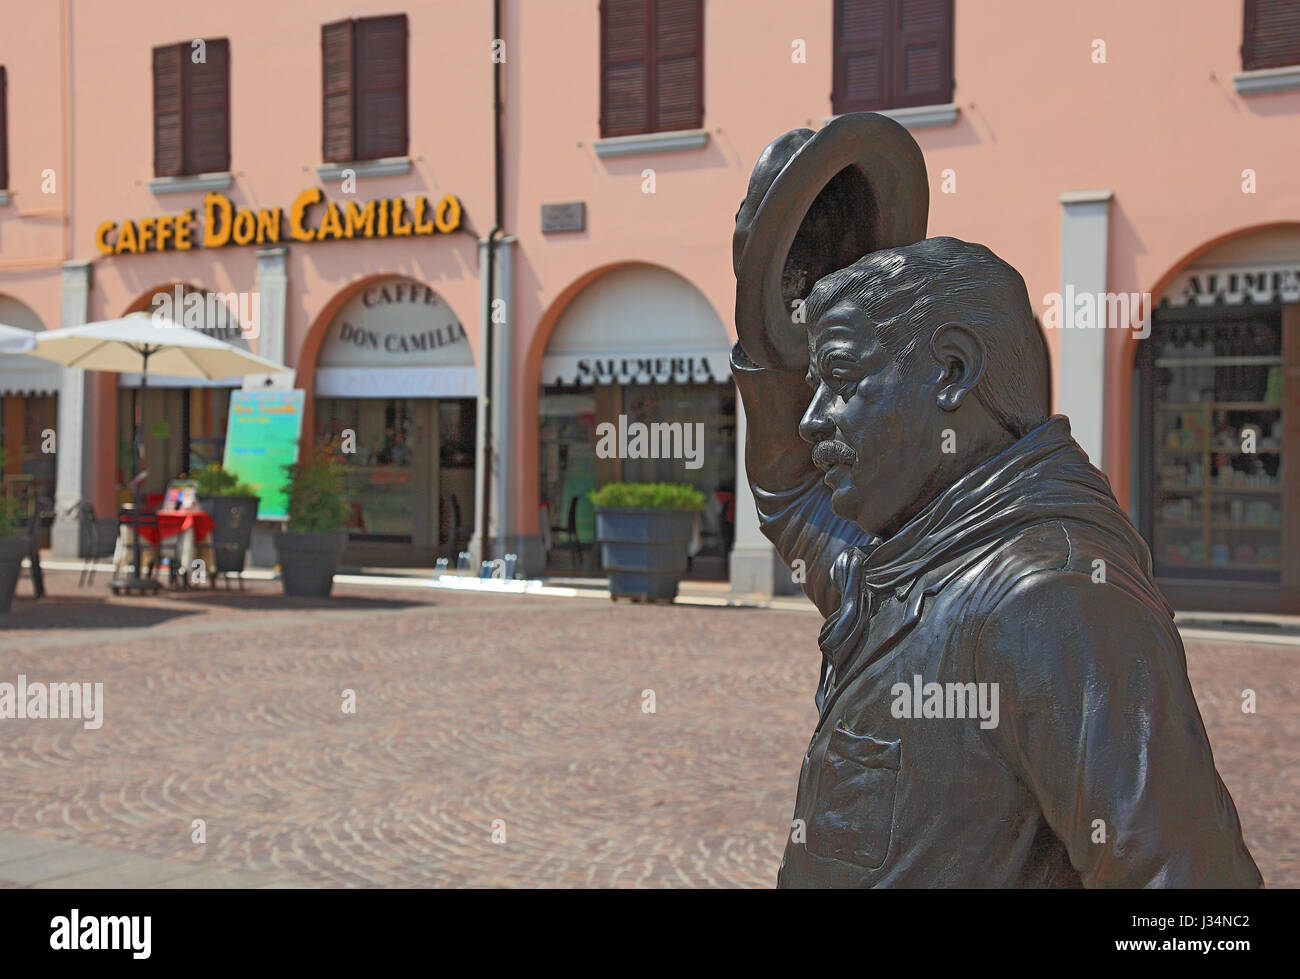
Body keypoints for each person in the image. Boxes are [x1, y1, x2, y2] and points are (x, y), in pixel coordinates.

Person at [733, 124, 1262, 888]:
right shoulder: (917, 566)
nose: (814, 417)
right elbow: (791, 501)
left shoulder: (1050, 595)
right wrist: (767, 316)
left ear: (952, 371)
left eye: (842, 381)